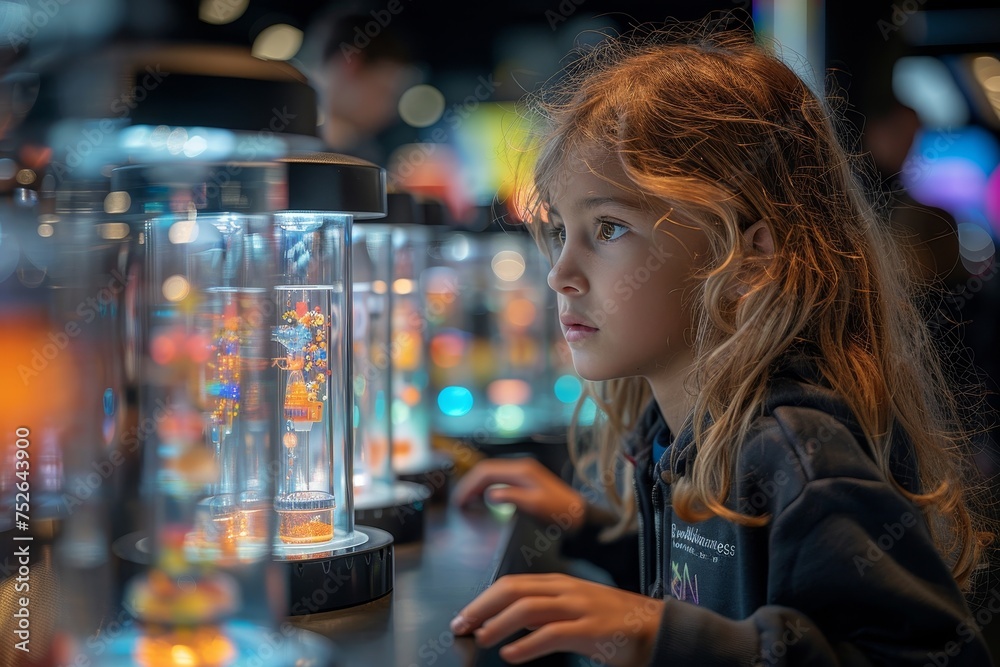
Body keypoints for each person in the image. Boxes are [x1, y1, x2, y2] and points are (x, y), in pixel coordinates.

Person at [449, 15, 996, 667]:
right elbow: (716, 583)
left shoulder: (796, 456)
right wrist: (589, 525)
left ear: (747, 260)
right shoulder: (680, 430)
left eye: (611, 228)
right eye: (563, 230)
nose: (561, 275)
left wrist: (661, 636)